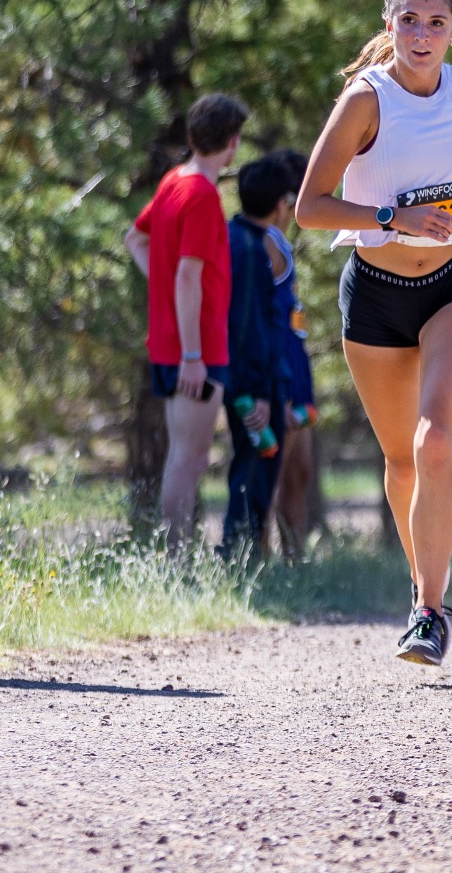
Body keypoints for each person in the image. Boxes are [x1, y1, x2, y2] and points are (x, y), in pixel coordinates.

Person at [296, 0, 452, 667]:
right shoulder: (365, 101)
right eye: (409, 21)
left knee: (435, 441)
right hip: (373, 290)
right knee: (402, 458)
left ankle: (430, 608)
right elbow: (311, 205)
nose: (422, 35)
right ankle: (420, 585)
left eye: (436, 23)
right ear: (389, 25)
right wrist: (392, 216)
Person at [126, 92, 248, 554]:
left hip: (173, 344)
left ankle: (174, 559)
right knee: (189, 459)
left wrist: (164, 288)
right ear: (232, 142)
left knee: (185, 457)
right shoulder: (199, 194)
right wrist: (194, 356)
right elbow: (187, 274)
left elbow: (135, 239)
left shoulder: (174, 180)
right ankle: (175, 563)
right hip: (194, 350)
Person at [221, 156, 295, 559]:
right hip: (253, 385)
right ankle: (237, 562)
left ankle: (242, 559)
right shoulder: (251, 250)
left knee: (249, 468)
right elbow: (249, 326)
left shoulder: (233, 235)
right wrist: (258, 392)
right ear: (281, 203)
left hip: (245, 379)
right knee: (254, 472)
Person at [262, 148, 319, 559]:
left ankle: (296, 561)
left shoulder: (280, 239)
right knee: (271, 467)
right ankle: (257, 559)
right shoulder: (260, 242)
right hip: (276, 369)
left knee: (299, 471)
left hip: (296, 366)